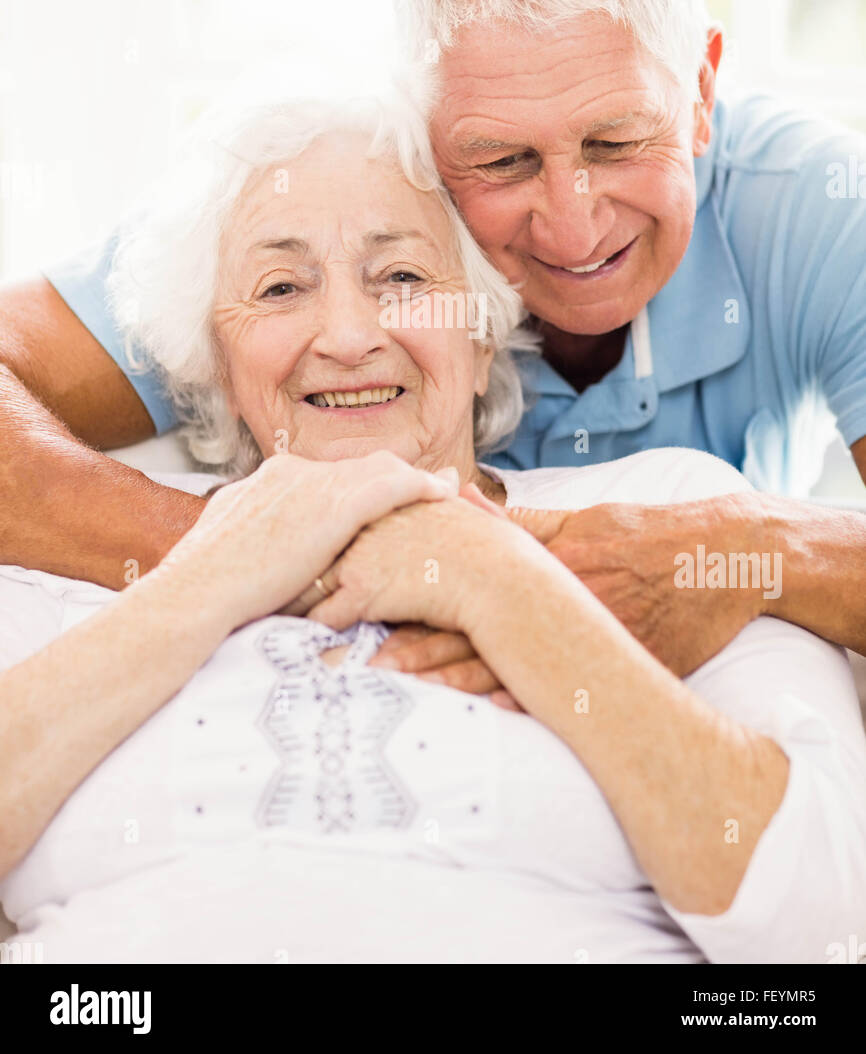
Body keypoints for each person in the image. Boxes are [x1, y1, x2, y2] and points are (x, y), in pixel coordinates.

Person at [2, 93, 864, 964]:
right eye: (281, 288)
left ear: (486, 331)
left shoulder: (674, 517)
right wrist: (214, 570)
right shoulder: (69, 562)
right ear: (213, 365)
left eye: (404, 278)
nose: (346, 334)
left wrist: (492, 577)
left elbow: (826, 924)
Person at [1, 0, 865, 683]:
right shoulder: (351, 194)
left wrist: (747, 550)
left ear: (702, 94)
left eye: (617, 142)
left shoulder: (821, 211)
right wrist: (246, 554)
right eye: (502, 160)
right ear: (427, 136)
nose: (573, 223)